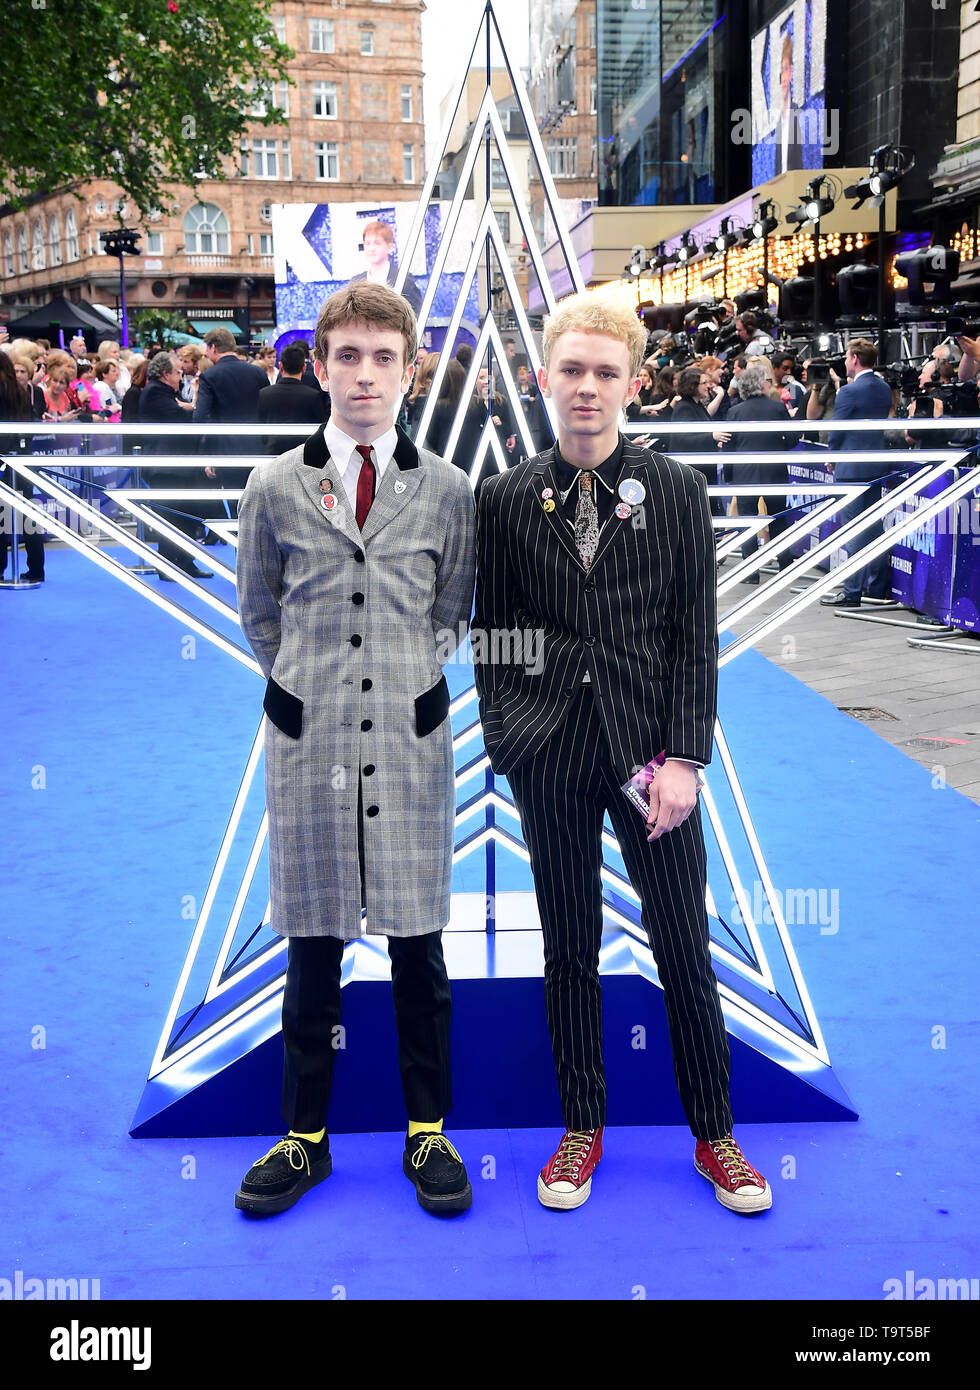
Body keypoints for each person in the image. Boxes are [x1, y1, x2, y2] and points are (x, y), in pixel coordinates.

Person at [472, 291, 770, 1217]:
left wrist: (685, 756)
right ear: (544, 378)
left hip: (654, 761)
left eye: (606, 373)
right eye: (573, 371)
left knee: (685, 944)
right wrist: (516, 737)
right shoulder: (507, 500)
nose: (588, 389)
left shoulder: (676, 489)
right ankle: (581, 1126)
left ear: (633, 383)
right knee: (570, 948)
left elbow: (694, 634)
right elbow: (496, 637)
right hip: (550, 754)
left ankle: (714, 1135)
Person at [234, 282, 476, 1218]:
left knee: (421, 947)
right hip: (309, 738)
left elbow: (449, 611)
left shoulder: (447, 490)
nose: (365, 375)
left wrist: (401, 673)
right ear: (322, 365)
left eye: (384, 357)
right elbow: (260, 613)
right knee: (312, 943)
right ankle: (304, 1138)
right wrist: (314, 682)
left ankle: (429, 1134)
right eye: (348, 356)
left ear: (409, 371)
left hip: (411, 744)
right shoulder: (273, 486)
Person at [819, 337, 894, 608]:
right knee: (873, 527)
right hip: (875, 465)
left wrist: (832, 456)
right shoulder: (884, 388)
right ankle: (875, 587)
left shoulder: (849, 392)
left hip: (851, 467)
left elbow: (836, 430)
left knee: (853, 529)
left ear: (854, 359)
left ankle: (851, 591)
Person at [139, 352, 213, 581]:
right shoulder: (154, 392)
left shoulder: (166, 393)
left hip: (178, 464)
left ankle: (185, 561)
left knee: (186, 514)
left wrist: (189, 406)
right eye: (177, 372)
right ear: (165, 374)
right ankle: (168, 565)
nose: (180, 376)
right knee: (169, 516)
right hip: (166, 466)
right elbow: (181, 417)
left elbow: (185, 412)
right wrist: (193, 404)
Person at [724, 361, 794, 582]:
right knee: (778, 518)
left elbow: (728, 446)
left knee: (746, 521)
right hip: (774, 471)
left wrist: (729, 476)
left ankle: (750, 572)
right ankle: (785, 565)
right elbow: (792, 439)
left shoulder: (735, 411)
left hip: (744, 473)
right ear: (761, 384)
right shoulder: (777, 408)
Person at [192, 326, 267, 512]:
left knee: (236, 506)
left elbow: (200, 418)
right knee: (258, 504)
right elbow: (269, 408)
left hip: (226, 450)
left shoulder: (209, 376)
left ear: (214, 348)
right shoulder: (257, 373)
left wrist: (208, 453)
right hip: (259, 447)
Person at [0, 351, 46, 584]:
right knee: (29, 517)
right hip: (22, 458)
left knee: (1, 518)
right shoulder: (20, 391)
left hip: (2, 460)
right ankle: (37, 569)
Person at [256, 342, 328, 455]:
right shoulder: (313, 396)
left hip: (274, 452)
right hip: (303, 453)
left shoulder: (264, 394)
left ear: (280, 366)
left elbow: (261, 427)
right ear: (304, 368)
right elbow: (319, 427)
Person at [348, 218, 423, 317]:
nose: (371, 248)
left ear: (390, 247)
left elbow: (416, 315)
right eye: (368, 243)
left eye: (377, 243)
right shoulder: (355, 282)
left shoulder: (403, 279)